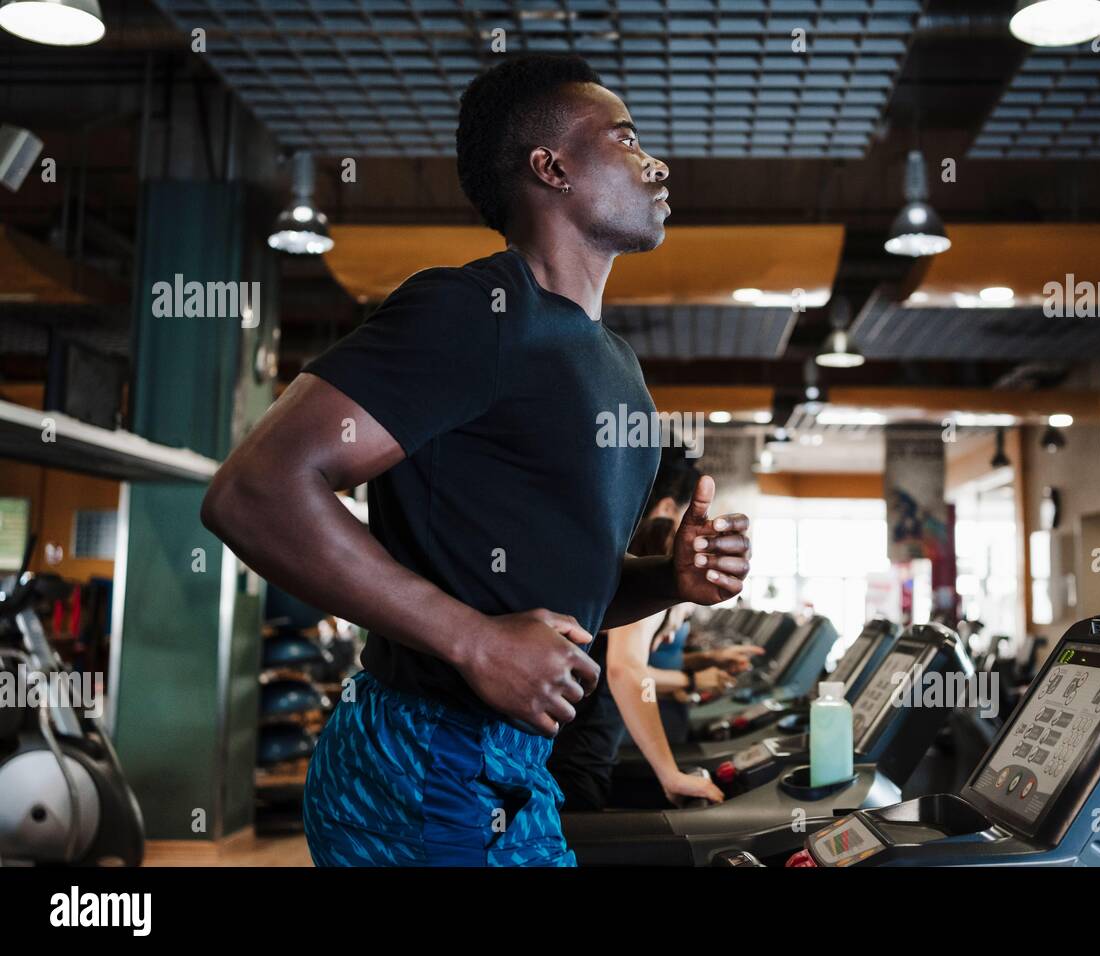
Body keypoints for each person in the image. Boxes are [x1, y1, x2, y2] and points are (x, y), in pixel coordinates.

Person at [200, 53, 752, 866]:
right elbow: (254, 491)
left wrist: (666, 577)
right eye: (627, 140)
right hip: (428, 759)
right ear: (551, 167)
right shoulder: (475, 313)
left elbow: (556, 604)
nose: (655, 162)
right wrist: (472, 642)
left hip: (515, 767)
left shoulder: (615, 367)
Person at [548, 457, 762, 810]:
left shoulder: (620, 561)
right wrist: (670, 774)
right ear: (666, 508)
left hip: (582, 740)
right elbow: (624, 668)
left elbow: (613, 656)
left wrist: (701, 661)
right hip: (581, 749)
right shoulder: (647, 560)